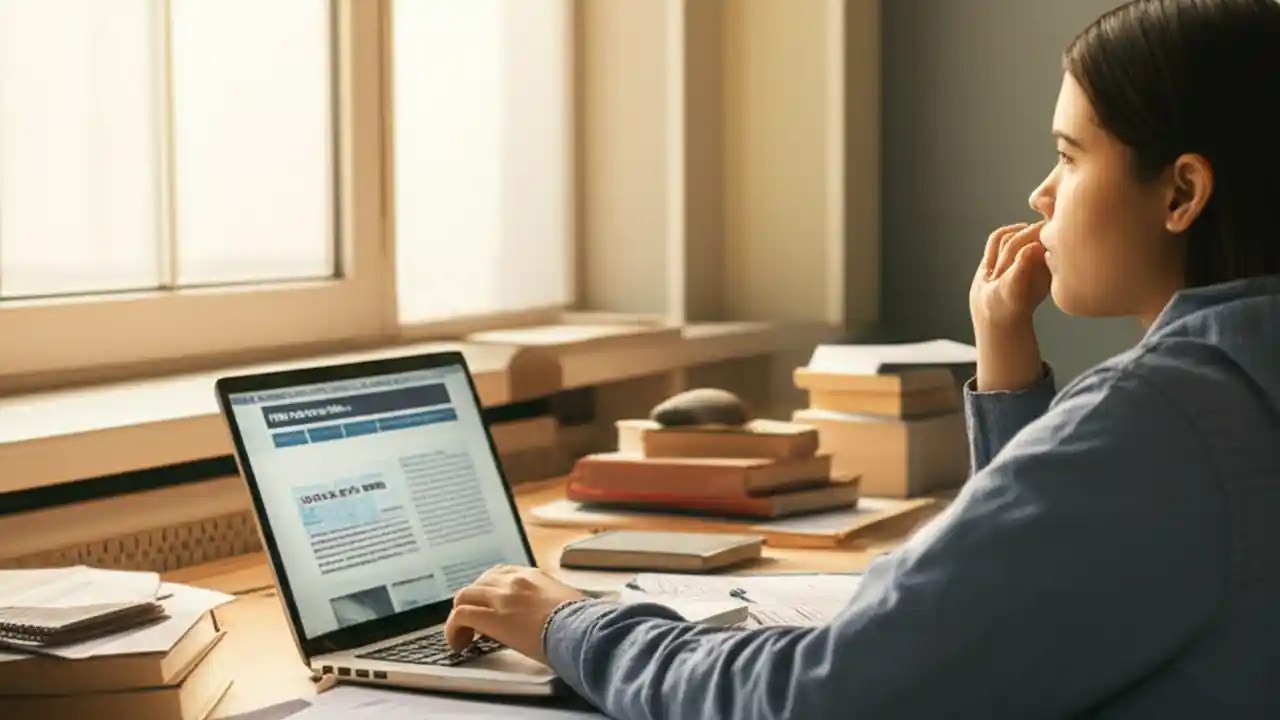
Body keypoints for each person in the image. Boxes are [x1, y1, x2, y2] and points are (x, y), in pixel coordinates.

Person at [445, 0, 1280, 715]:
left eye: (1068, 156)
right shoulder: (1231, 383)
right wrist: (1005, 363)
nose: (1041, 194)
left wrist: (570, 625)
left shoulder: (1161, 415)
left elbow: (815, 696)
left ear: (1180, 194)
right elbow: (1041, 574)